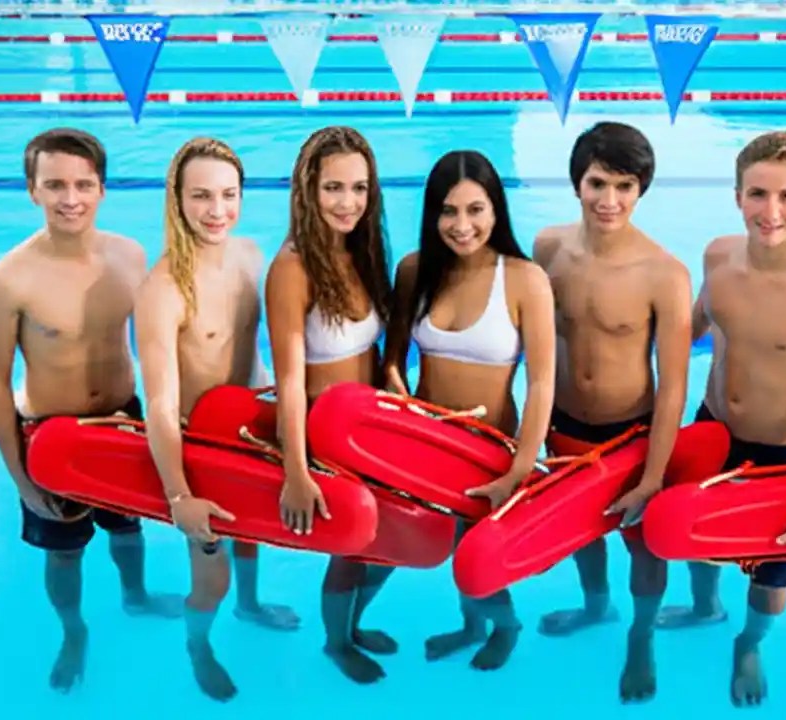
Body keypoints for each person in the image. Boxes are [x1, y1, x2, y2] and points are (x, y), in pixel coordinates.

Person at [660, 130, 786, 707]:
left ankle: (750, 642)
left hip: (782, 454)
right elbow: (695, 326)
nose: (770, 210)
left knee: (772, 570)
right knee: (696, 535)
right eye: (757, 194)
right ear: (737, 196)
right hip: (711, 430)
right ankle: (705, 607)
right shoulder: (718, 256)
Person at [0, 127, 182, 694]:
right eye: (55, 185)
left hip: (122, 418)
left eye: (83, 184)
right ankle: (73, 631)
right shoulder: (7, 280)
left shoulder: (129, 255)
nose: (71, 198)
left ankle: (136, 596)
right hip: (51, 435)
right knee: (64, 553)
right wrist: (20, 480)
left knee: (128, 526)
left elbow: (159, 343)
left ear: (102, 189)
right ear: (32, 190)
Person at [134, 137, 301, 702]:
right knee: (211, 579)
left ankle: (250, 607)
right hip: (200, 451)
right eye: (201, 196)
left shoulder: (250, 256)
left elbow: (258, 354)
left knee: (252, 540)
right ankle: (198, 645)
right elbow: (159, 403)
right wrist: (179, 495)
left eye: (229, 195)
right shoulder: (162, 290)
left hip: (248, 433)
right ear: (177, 199)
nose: (216, 210)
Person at [531, 122, 693, 702]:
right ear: (577, 182)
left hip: (632, 434)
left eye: (625, 187)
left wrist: (653, 475)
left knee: (644, 543)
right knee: (584, 531)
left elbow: (674, 386)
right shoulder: (549, 250)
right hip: (564, 428)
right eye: (598, 183)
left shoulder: (665, 274)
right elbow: (534, 350)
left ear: (641, 189)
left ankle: (641, 636)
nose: (610, 200)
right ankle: (595, 606)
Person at [383, 149, 556, 672]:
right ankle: (473, 626)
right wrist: (399, 398)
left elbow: (542, 382)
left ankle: (505, 625)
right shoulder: (415, 270)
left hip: (489, 452)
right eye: (448, 211)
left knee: (471, 554)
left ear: (496, 210)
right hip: (428, 445)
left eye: (475, 210)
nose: (462, 226)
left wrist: (520, 469)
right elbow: (393, 359)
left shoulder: (524, 279)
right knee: (424, 544)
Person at [265, 126, 396, 684]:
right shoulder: (293, 268)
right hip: (326, 436)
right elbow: (289, 381)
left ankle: (353, 623)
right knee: (354, 544)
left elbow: (376, 349)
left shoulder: (361, 250)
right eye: (333, 188)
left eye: (359, 188)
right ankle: (337, 642)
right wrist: (296, 472)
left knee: (394, 541)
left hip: (373, 429)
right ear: (308, 191)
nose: (348, 202)